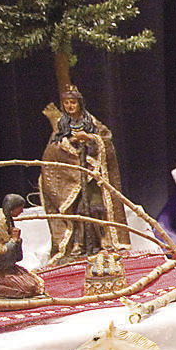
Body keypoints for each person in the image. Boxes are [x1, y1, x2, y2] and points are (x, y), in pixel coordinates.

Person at [39, 85, 127, 261]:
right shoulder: (62, 125)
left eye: (73, 103)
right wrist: (68, 146)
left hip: (91, 175)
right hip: (72, 178)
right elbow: (53, 150)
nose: (70, 106)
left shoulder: (90, 122)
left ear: (79, 103)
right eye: (66, 103)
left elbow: (106, 139)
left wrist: (90, 139)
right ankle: (80, 244)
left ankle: (103, 242)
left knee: (96, 208)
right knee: (79, 211)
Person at [0, 194, 45, 300]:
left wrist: (16, 241)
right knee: (28, 288)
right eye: (20, 208)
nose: (22, 211)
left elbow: (16, 258)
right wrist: (13, 241)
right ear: (13, 208)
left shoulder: (7, 220)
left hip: (3, 267)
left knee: (34, 283)